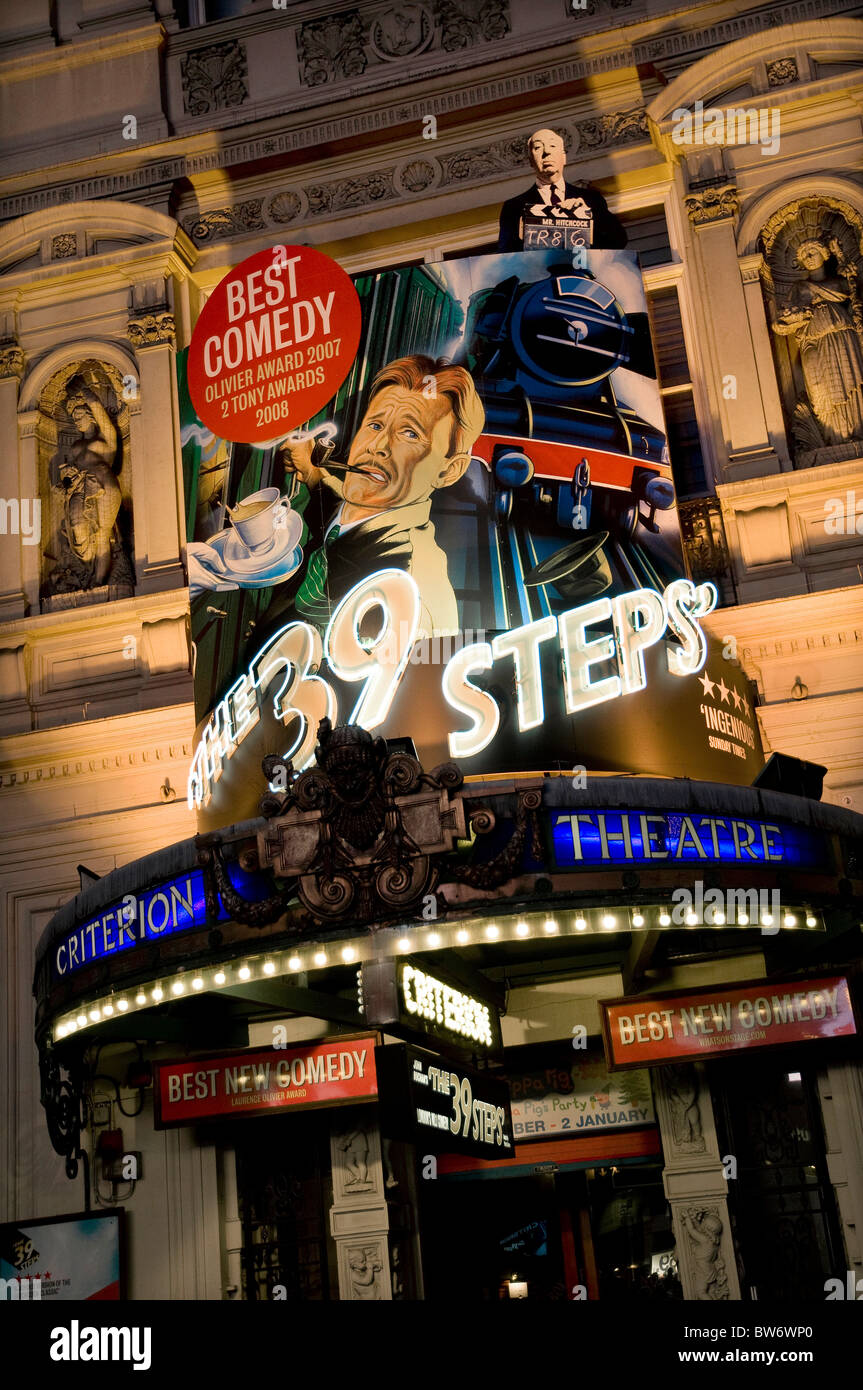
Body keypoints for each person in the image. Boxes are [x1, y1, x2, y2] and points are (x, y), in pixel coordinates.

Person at [269, 354, 485, 636]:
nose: (377, 446)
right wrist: (311, 470)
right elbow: (343, 519)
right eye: (375, 425)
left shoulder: (412, 594)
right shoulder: (368, 510)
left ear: (449, 471)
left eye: (410, 434)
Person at [497, 128, 627, 252]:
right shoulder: (513, 207)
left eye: (552, 146)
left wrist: (590, 215)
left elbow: (619, 241)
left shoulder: (591, 199)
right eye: (538, 147)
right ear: (531, 161)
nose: (546, 152)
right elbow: (506, 255)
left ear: (564, 157)